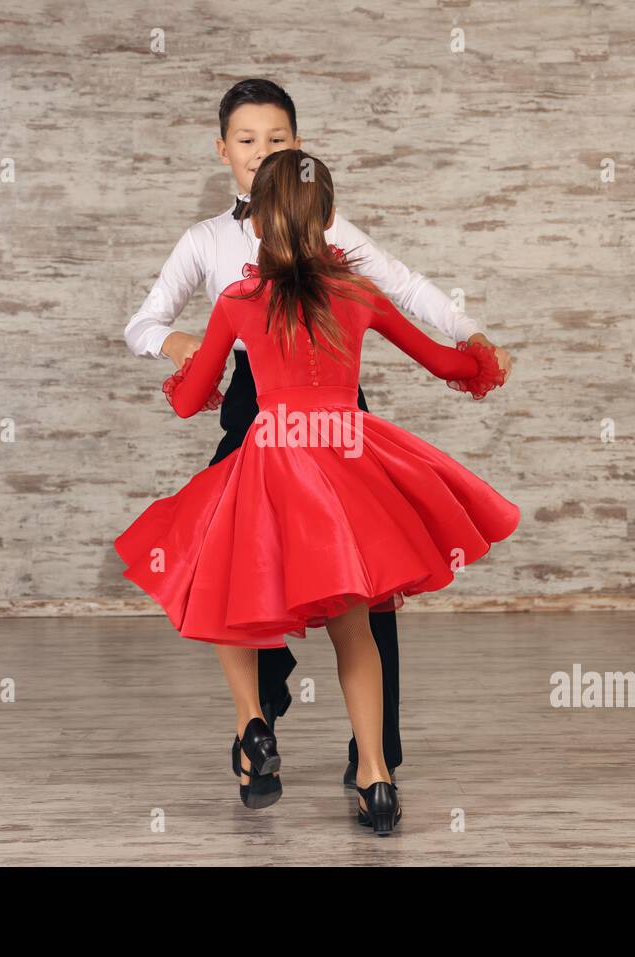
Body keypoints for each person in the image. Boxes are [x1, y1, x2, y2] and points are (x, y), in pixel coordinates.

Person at [123, 78, 515, 790]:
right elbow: (145, 325)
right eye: (247, 140)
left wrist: (470, 330)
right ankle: (358, 767)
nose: (259, 151)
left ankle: (295, 733)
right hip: (320, 426)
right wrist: (478, 360)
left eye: (275, 141)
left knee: (238, 565)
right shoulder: (221, 245)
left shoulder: (253, 291)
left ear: (295, 155)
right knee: (342, 591)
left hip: (279, 426)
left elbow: (409, 285)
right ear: (223, 150)